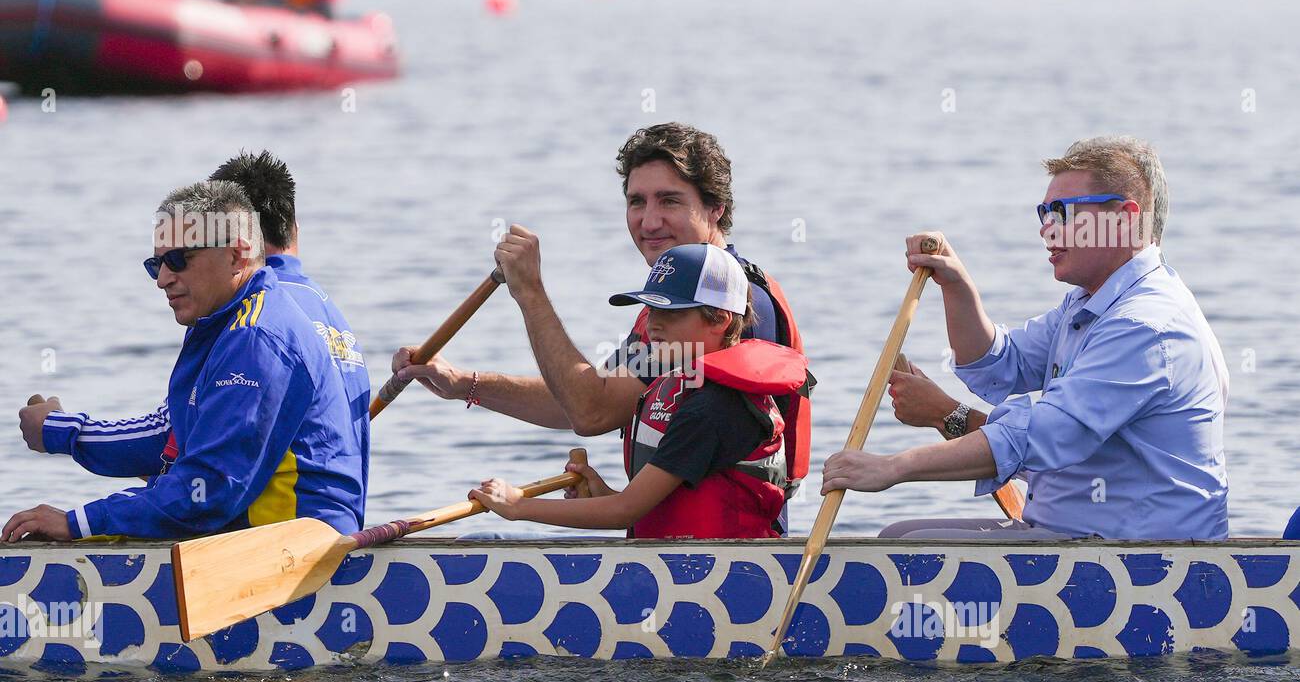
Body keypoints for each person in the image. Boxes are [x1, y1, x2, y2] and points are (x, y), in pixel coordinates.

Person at [393, 122, 809, 521]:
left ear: (715, 208)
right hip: (674, 548)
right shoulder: (675, 306)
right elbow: (583, 395)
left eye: (669, 200)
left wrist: (530, 294)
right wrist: (464, 383)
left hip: (730, 562)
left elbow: (591, 411)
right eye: (636, 202)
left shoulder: (728, 309)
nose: (648, 222)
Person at [822, 136, 1230, 541]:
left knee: (905, 548)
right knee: (900, 533)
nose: (1046, 229)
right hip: (1086, 538)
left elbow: (1042, 435)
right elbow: (1002, 365)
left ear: (1124, 217)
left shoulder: (1144, 325)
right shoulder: (1090, 305)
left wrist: (894, 467)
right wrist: (956, 285)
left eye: (1061, 212)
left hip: (1150, 560)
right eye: (1043, 213)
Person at [2, 181, 365, 542]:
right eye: (156, 264)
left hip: (293, 552)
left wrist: (77, 522)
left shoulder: (256, 339)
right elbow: (183, 455)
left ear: (236, 256)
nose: (162, 279)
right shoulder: (223, 322)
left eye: (178, 260)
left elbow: (208, 491)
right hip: (256, 533)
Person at [469, 244, 809, 539]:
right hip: (680, 565)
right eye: (652, 309)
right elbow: (641, 505)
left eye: (671, 311)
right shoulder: (691, 392)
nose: (652, 323)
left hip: (718, 577)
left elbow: (625, 512)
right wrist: (602, 494)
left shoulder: (714, 407)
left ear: (719, 319)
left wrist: (517, 506)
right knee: (484, 538)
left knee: (485, 539)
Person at [209, 150, 369, 481]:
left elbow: (194, 453)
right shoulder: (330, 311)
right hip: (335, 520)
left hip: (276, 525)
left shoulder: (252, 315)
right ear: (294, 228)